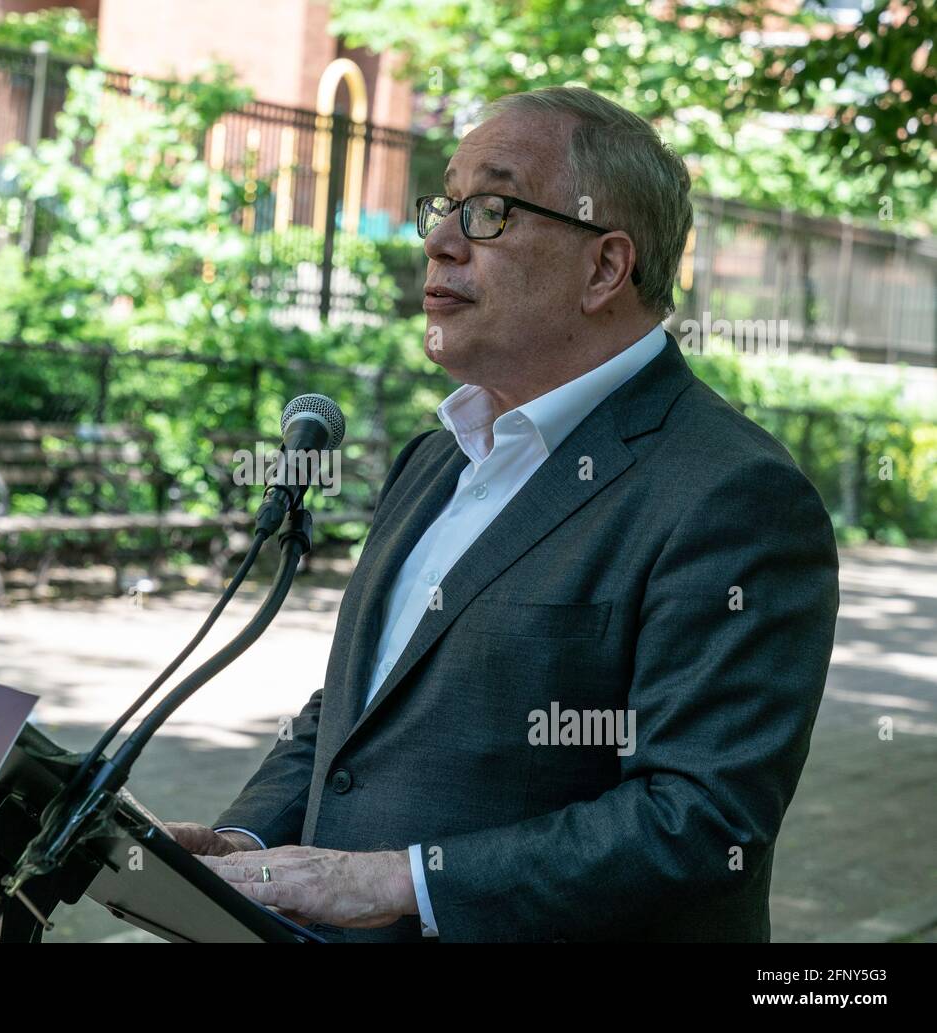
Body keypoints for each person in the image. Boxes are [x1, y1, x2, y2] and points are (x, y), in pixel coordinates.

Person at [168, 86, 839, 942]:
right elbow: (355, 709)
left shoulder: (732, 493)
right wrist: (245, 845)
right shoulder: (435, 454)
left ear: (604, 267)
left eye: (489, 209)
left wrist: (402, 880)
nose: (440, 240)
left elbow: (702, 821)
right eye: (444, 205)